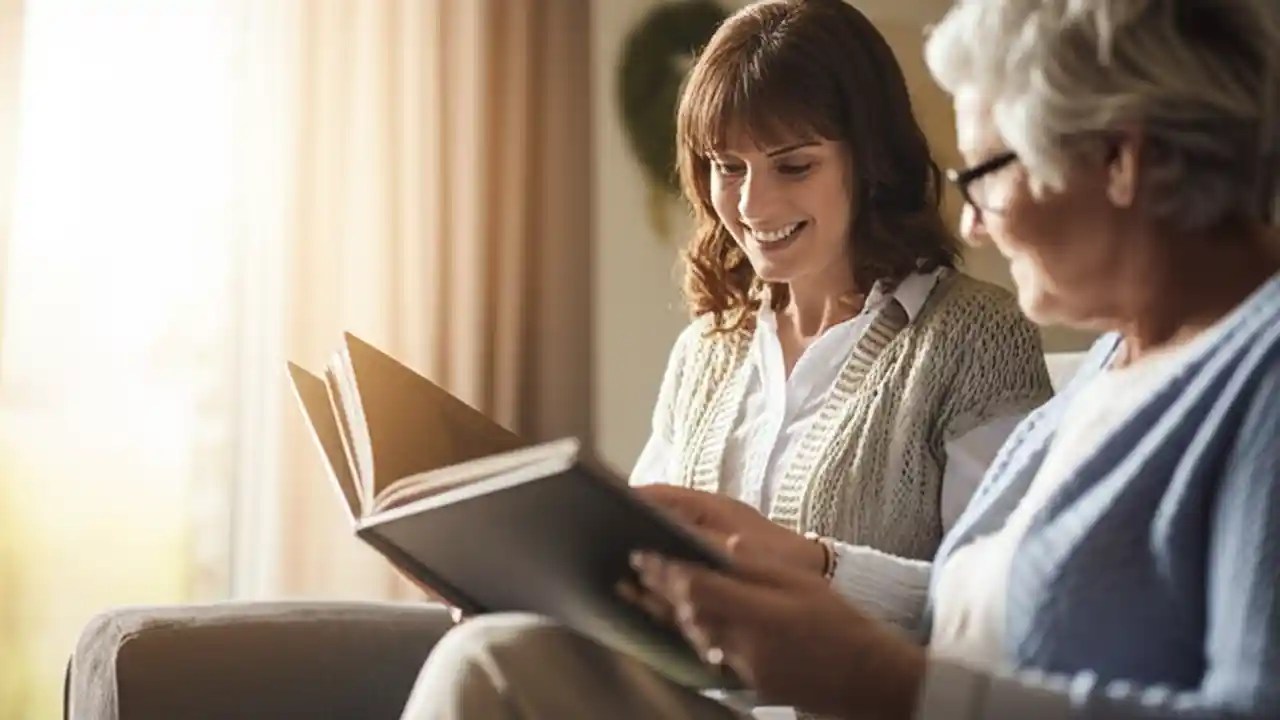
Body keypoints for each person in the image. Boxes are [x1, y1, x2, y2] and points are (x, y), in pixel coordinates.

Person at [397, 0, 1280, 717]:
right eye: (725, 167)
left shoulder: (1254, 378)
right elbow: (953, 617)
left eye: (988, 174)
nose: (971, 222)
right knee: (491, 649)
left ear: (1120, 160)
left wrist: (876, 677)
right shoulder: (1103, 376)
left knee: (495, 672)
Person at [625, 0, 1048, 585]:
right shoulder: (704, 351)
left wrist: (817, 568)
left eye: (794, 167)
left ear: (872, 159)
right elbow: (635, 551)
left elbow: (994, 601)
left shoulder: (975, 339)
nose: (751, 206)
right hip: (685, 677)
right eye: (728, 167)